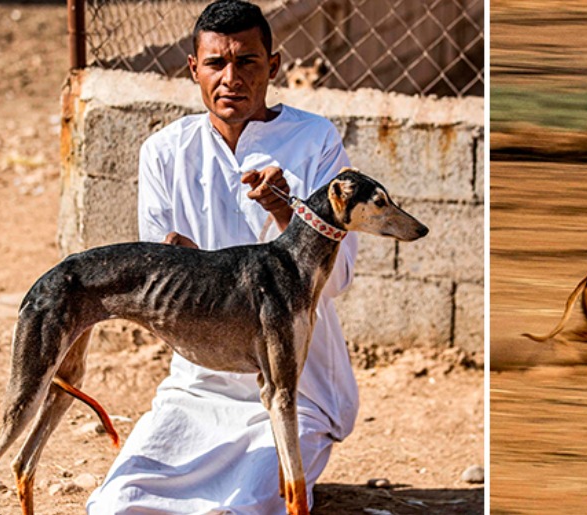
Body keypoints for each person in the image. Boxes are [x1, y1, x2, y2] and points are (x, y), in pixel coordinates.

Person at [86, 0, 358, 512]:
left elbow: (337, 278)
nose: (231, 78)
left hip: (296, 389)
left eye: (247, 61)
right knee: (120, 502)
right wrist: (180, 264)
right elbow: (158, 283)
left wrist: (286, 211)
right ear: (194, 69)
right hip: (198, 385)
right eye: (216, 63)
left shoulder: (314, 140)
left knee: (241, 505)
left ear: (273, 66)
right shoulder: (165, 152)